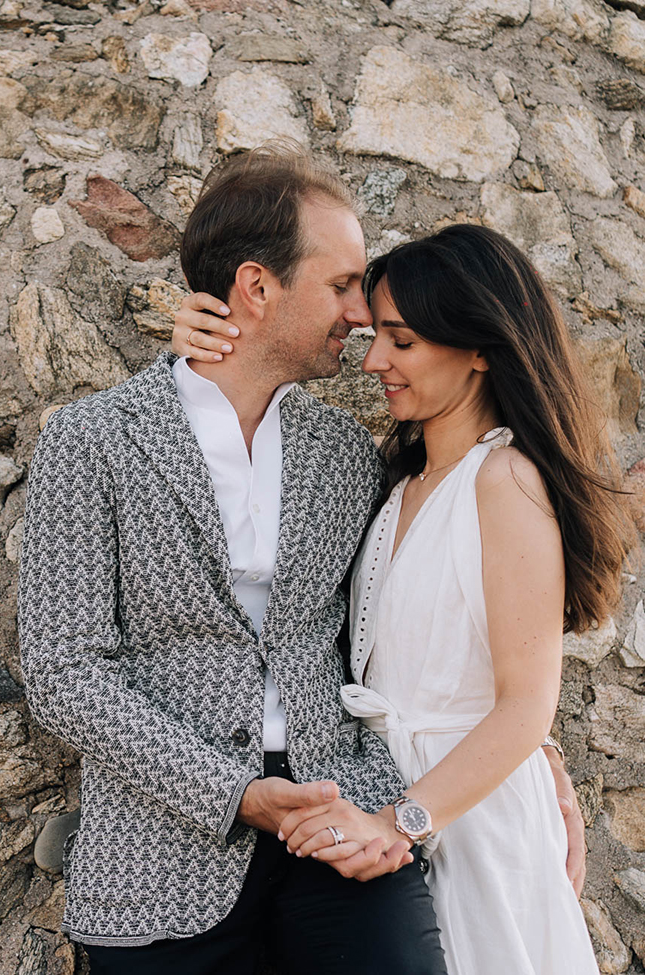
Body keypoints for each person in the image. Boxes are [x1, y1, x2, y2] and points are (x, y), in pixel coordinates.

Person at [18, 145, 449, 975]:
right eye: (341, 284)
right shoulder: (92, 440)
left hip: (340, 822)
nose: (361, 312)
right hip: (158, 850)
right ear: (257, 287)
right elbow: (63, 670)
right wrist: (233, 791)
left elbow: (398, 626)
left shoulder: (346, 454)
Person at [174, 218, 635, 972]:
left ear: (481, 346)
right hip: (379, 799)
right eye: (377, 334)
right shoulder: (398, 481)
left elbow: (526, 702)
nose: (373, 359)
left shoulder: (505, 480)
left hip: (468, 824)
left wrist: (403, 821)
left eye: (403, 341)